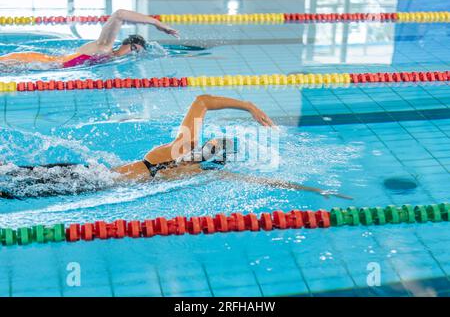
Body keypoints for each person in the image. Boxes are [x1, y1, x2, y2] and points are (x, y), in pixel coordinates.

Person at [0, 95, 352, 200]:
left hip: (98, 180)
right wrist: (315, 189)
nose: (213, 141)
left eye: (217, 142)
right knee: (19, 182)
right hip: (98, 181)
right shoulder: (199, 164)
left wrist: (246, 105)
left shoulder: (185, 146)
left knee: (18, 180)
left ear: (213, 149)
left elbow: (202, 101)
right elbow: (263, 184)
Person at [0, 9, 179, 68]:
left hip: (39, 64)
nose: (131, 54)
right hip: (34, 61)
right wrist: (157, 24)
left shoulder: (107, 57)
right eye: (132, 48)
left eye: (136, 53)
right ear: (126, 43)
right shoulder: (105, 48)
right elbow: (120, 14)